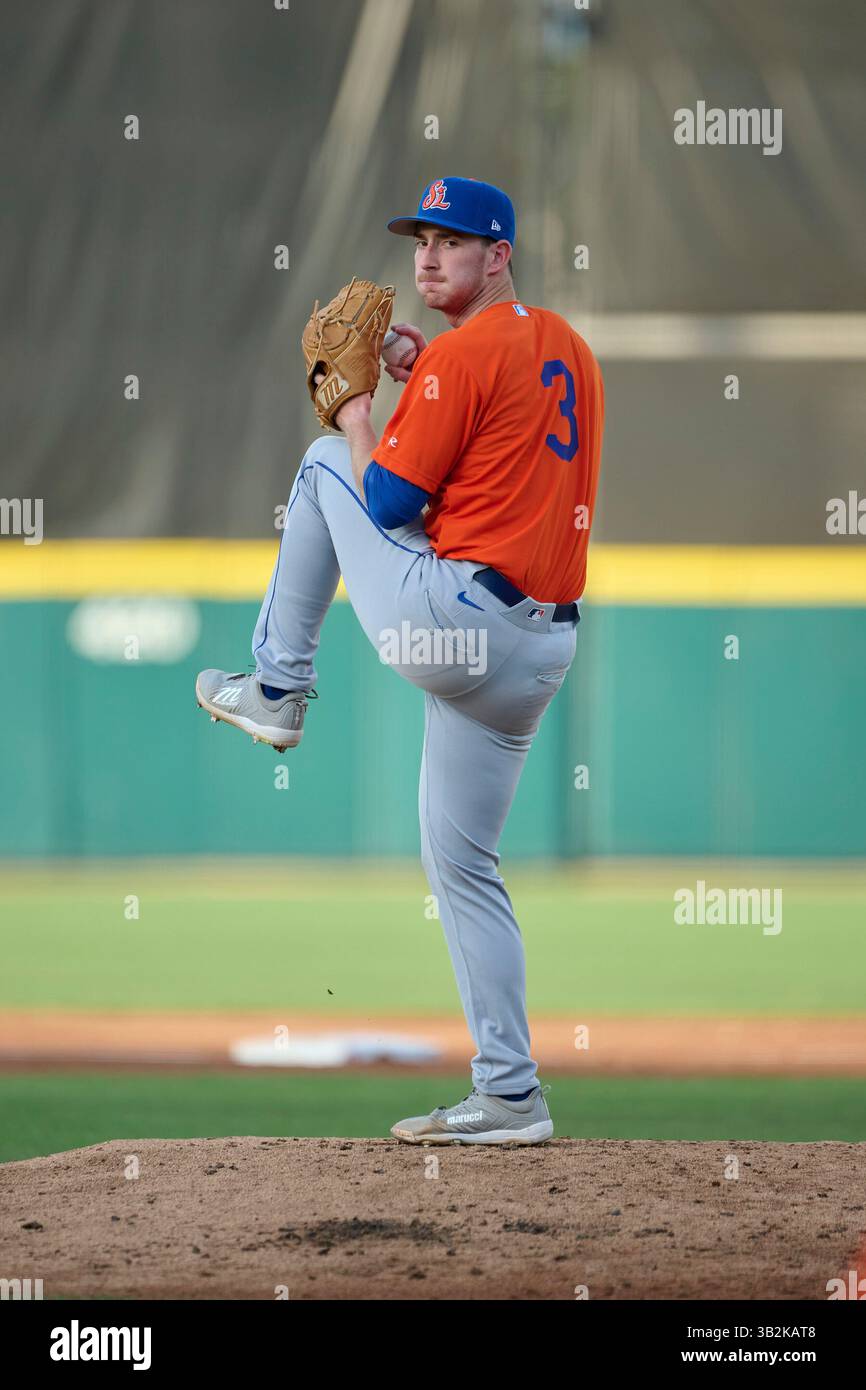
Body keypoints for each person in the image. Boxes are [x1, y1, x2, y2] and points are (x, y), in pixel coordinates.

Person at [196, 176, 604, 1144]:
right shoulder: (567, 348)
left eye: (453, 241)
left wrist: (355, 410)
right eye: (421, 239)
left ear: (498, 253)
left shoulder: (462, 358)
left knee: (323, 463)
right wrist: (420, 377)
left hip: (457, 620)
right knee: (463, 867)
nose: (427, 257)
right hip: (537, 646)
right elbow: (491, 457)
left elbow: (387, 507)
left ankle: (277, 684)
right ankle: (510, 1095)